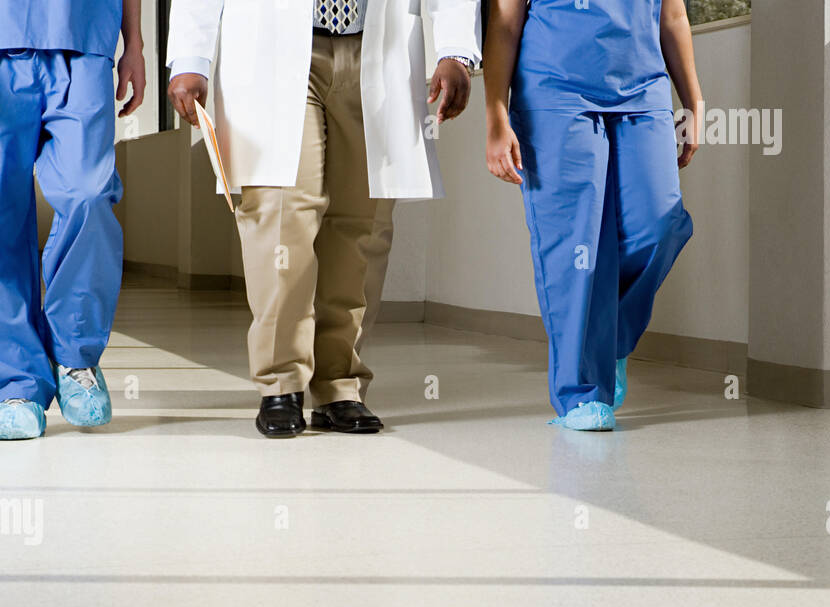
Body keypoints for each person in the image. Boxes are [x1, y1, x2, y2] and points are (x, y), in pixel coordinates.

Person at [167, 0, 482, 440]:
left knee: (361, 224)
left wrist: (455, 50)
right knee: (282, 215)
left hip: (377, 40)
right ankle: (281, 383)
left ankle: (339, 385)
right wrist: (189, 58)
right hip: (270, 44)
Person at [484, 0, 701, 431]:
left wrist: (693, 101)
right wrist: (495, 114)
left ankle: (610, 341)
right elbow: (505, 22)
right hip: (553, 91)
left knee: (661, 223)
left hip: (644, 90)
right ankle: (582, 395)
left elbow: (672, 15)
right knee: (575, 247)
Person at [0, 1, 145, 441]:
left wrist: (134, 42)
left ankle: (76, 356)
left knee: (89, 193)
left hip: (84, 36)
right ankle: (15, 380)